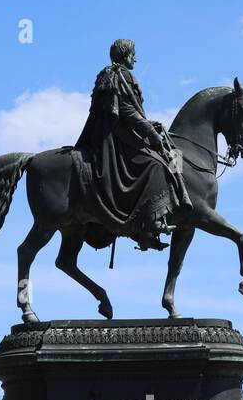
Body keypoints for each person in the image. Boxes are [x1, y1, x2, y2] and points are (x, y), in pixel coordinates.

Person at [73, 39, 188, 252]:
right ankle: (150, 223)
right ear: (125, 55)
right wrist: (151, 133)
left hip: (117, 131)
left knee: (173, 154)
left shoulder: (110, 74)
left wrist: (150, 125)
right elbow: (127, 112)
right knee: (155, 164)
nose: (136, 58)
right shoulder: (121, 75)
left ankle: (179, 200)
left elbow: (130, 112)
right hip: (117, 137)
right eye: (133, 54)